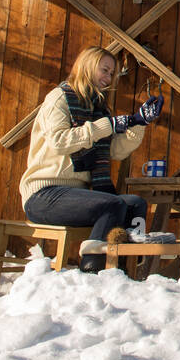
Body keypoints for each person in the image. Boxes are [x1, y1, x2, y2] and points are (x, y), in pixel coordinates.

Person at [19, 46, 164, 272]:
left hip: (79, 195)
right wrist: (110, 125)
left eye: (111, 74)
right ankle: (92, 273)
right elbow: (59, 141)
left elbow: (114, 151)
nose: (107, 78)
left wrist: (139, 123)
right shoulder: (59, 98)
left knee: (136, 204)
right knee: (112, 204)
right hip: (44, 194)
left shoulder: (98, 109)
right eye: (104, 70)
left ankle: (124, 273)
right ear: (87, 66)